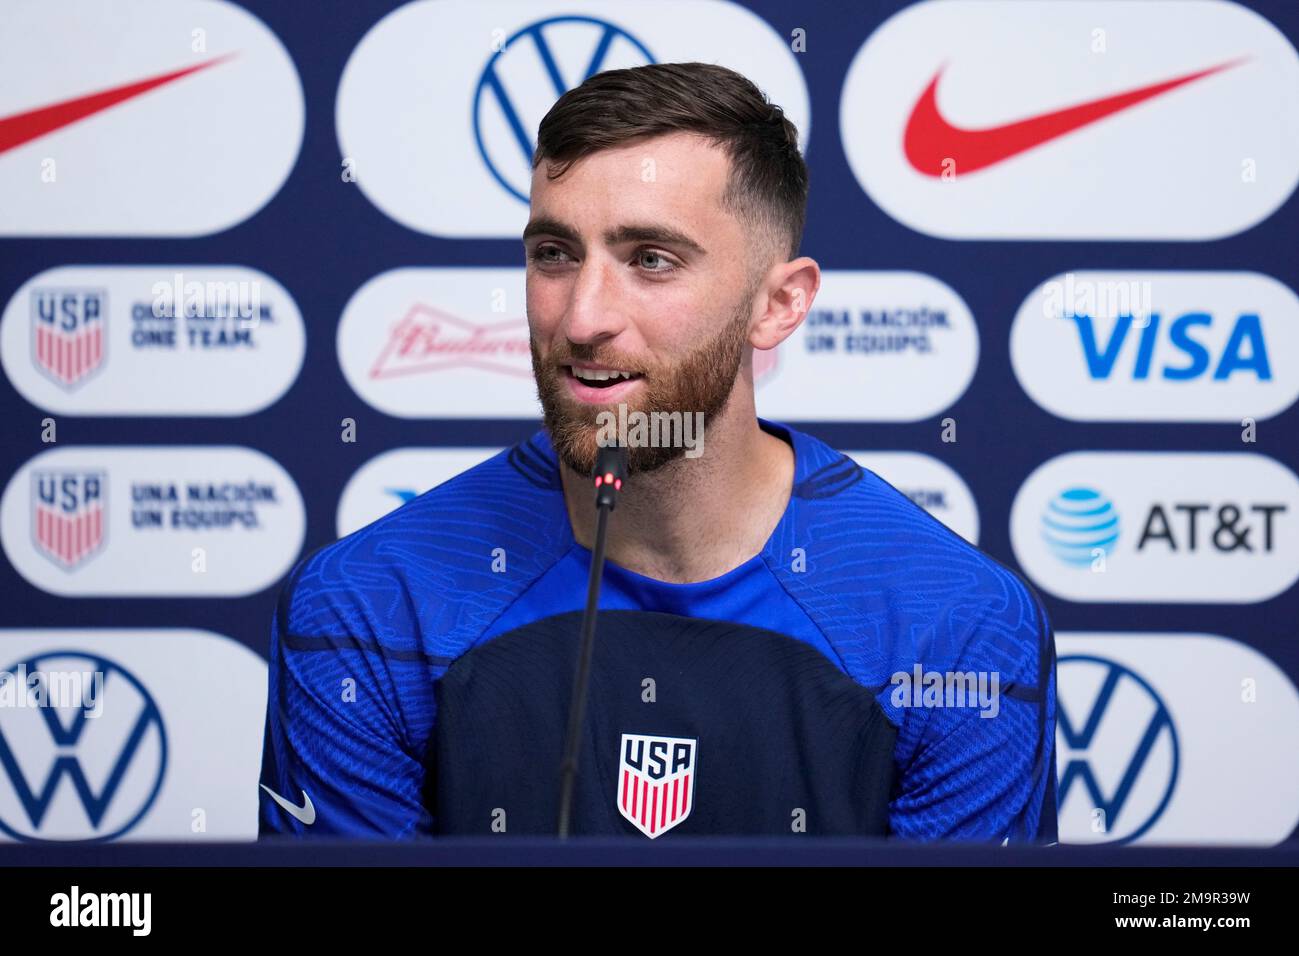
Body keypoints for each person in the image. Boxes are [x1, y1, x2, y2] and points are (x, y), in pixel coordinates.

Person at [258, 61, 1058, 842]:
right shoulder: (365, 606)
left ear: (779, 305)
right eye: (554, 255)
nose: (581, 320)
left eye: (651, 260)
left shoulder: (958, 629)